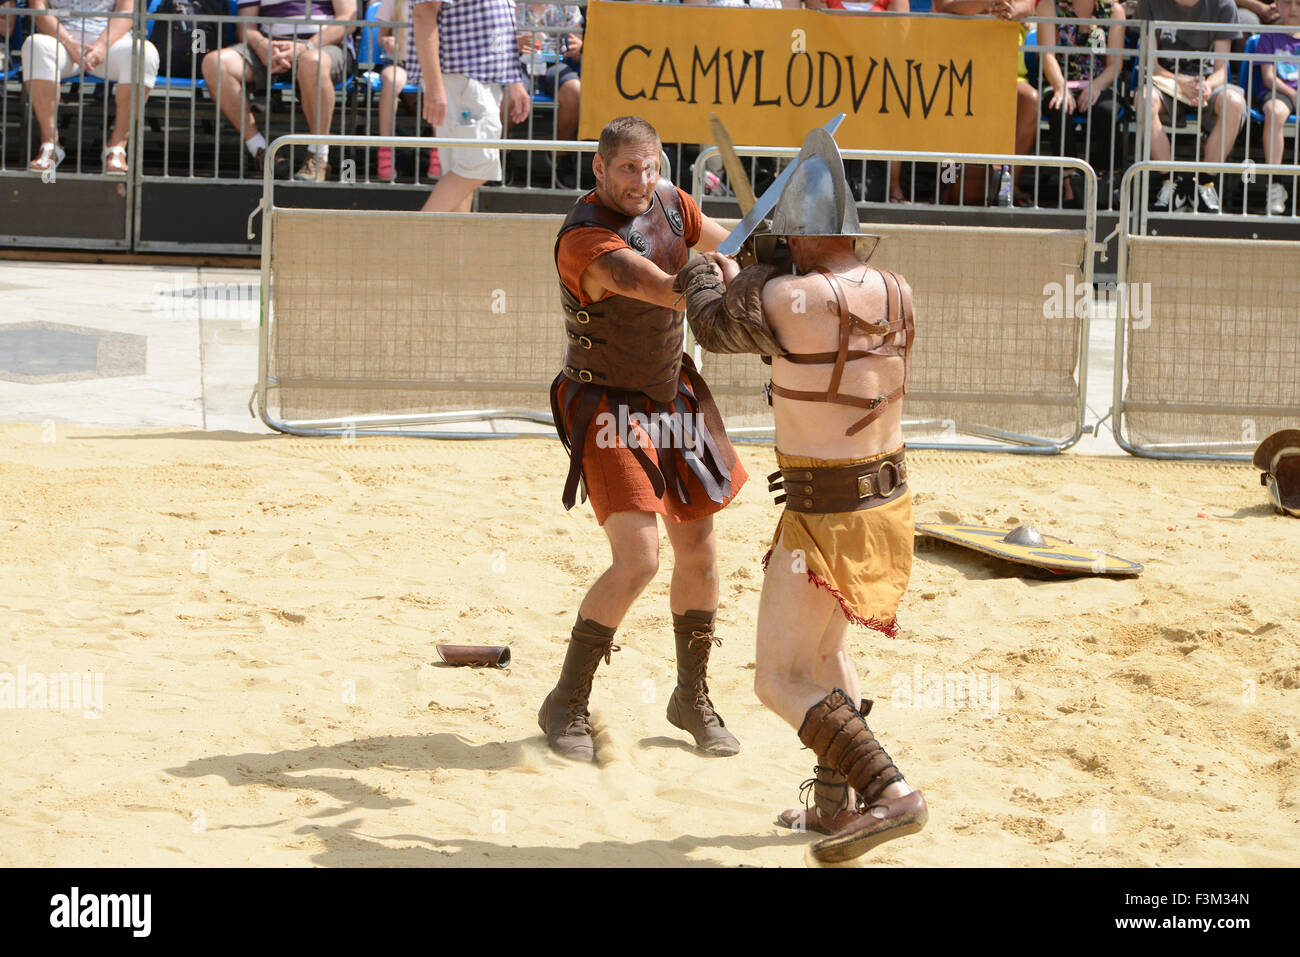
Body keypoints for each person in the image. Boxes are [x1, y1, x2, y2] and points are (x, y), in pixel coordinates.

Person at [673, 126, 923, 863]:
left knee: (779, 680)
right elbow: (809, 324)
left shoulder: (786, 295)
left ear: (800, 238)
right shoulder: (897, 290)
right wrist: (762, 268)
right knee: (825, 654)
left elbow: (712, 326)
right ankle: (833, 806)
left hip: (826, 512)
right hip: (886, 501)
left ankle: (891, 791)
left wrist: (711, 270)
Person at [540, 116, 749, 764]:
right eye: (628, 168)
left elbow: (730, 245)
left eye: (650, 166)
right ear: (599, 168)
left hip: (670, 392)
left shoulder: (672, 202)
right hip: (607, 402)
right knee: (639, 559)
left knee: (701, 555)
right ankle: (566, 701)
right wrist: (715, 276)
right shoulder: (585, 240)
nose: (641, 180)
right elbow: (661, 288)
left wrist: (754, 258)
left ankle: (691, 696)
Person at [201, 0, 357, 181]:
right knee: (215, 64)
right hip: (269, 49)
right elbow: (245, 26)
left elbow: (348, 19)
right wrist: (262, 46)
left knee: (312, 61)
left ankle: (319, 156)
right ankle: (261, 151)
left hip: (324, 47)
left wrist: (306, 46)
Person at [409, 0, 531, 212]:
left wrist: (514, 80)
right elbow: (424, 13)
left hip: (475, 79)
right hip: (460, 77)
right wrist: (434, 86)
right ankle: (415, 231)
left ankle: (448, 235)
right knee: (477, 165)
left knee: (463, 168)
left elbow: (499, 21)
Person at [21, 0, 161, 175]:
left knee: (144, 53)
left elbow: (126, 12)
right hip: (58, 39)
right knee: (35, 45)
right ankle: (50, 144)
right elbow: (38, 10)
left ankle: (117, 148)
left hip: (111, 41)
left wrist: (101, 46)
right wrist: (69, 43)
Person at [1133, 0, 1246, 212]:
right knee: (1144, 99)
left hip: (1205, 83)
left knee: (1234, 103)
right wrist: (1179, 82)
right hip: (1166, 83)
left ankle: (1205, 184)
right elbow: (1151, 63)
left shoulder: (1224, 5)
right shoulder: (1148, 3)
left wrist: (1206, 86)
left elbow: (1221, 70)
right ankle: (1170, 182)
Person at [933, 0, 1039, 205]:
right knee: (951, 103)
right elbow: (946, 6)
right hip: (960, 71)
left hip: (1007, 73)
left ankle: (1007, 187)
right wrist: (988, 3)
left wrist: (1011, 9)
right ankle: (946, 186)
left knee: (1030, 100)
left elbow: (1029, 6)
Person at [1036, 0, 1127, 206]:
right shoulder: (1050, 6)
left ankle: (1106, 181)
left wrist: (1096, 85)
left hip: (1099, 83)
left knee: (1107, 110)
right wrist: (1061, 87)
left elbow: (1115, 64)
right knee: (1059, 107)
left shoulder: (1113, 11)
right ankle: (1070, 185)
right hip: (1059, 82)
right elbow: (1047, 55)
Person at [373, 0, 440, 182]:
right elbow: (381, 37)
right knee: (391, 80)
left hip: (431, 66)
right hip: (399, 63)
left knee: (437, 84)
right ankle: (385, 150)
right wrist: (388, 41)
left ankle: (439, 149)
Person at [1255, 0, 1300, 213]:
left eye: (1298, 3)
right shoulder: (1269, 36)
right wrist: (1293, 94)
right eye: (1287, 3)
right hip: (1279, 92)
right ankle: (1275, 183)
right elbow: (1268, 77)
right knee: (1275, 112)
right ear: (1277, 4)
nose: (1293, 9)